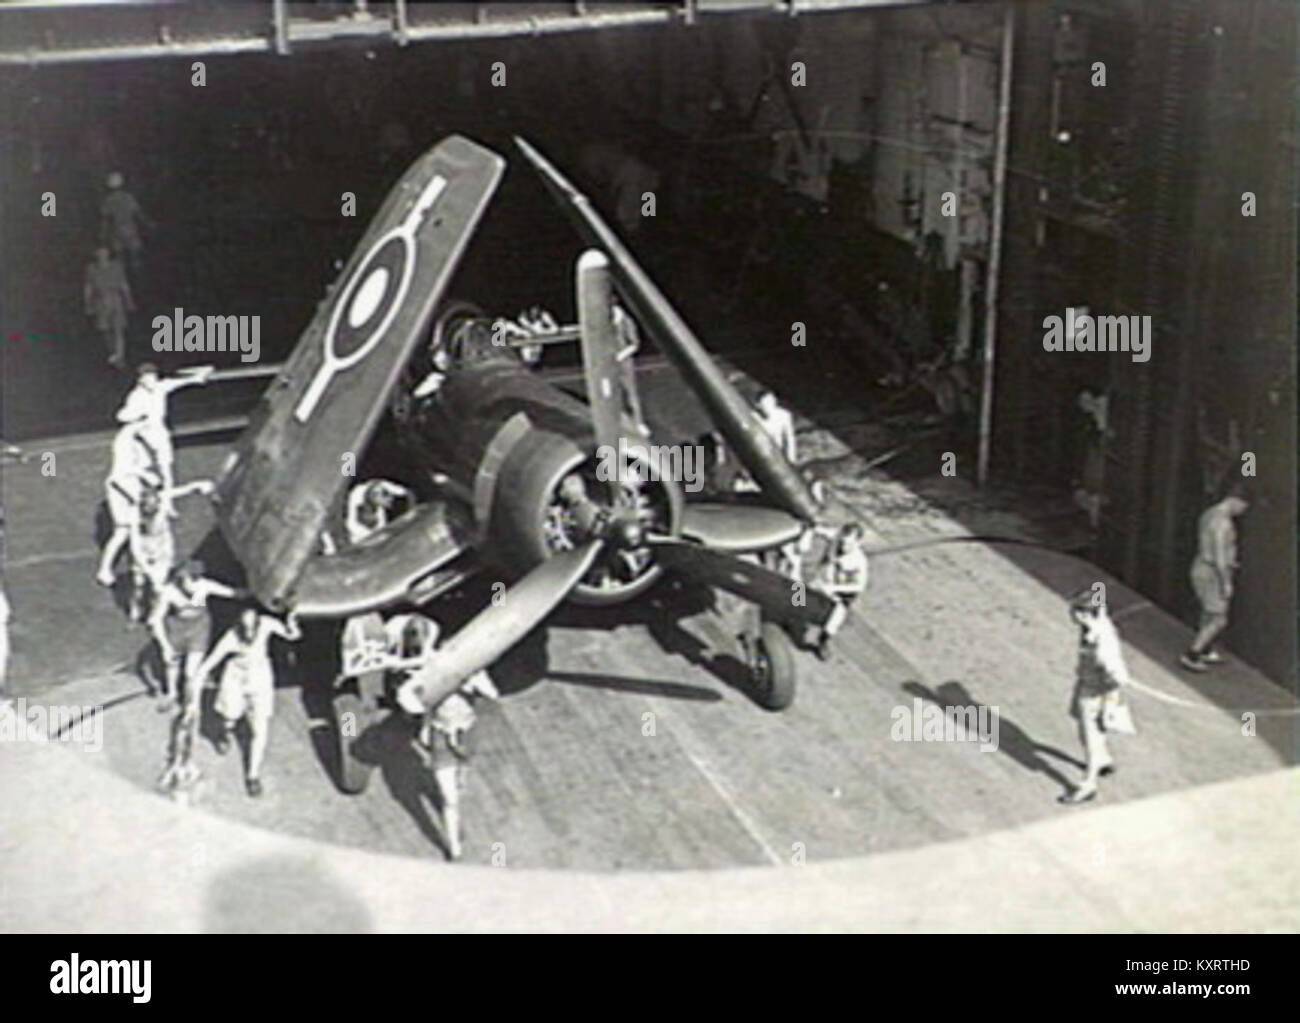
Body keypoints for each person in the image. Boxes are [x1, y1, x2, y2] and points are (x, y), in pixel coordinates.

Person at [394, 632, 499, 861]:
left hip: (466, 733)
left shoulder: (474, 673)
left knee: (461, 783)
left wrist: (472, 682)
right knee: (449, 797)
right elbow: (409, 697)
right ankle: (454, 848)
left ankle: (455, 809)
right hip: (441, 735)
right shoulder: (433, 672)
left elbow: (493, 693)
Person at [199, 607, 301, 797]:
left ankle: (253, 775)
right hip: (237, 678)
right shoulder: (231, 638)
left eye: (252, 630)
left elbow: (292, 634)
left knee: (260, 729)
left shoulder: (267, 625)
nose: (249, 635)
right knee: (229, 717)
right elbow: (212, 660)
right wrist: (196, 679)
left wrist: (292, 622)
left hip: (259, 679)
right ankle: (225, 731)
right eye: (245, 631)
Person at [1060, 588, 1133, 804]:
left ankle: (1088, 783)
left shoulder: (1101, 643)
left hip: (1095, 692)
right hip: (1085, 684)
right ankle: (1103, 759)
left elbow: (1118, 676)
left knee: (1090, 735)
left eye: (1076, 611)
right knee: (1083, 727)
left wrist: (1108, 703)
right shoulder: (1094, 626)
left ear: (1084, 614)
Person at [117, 362, 213, 514]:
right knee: (147, 473)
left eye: (154, 377)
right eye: (148, 378)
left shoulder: (162, 387)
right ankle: (143, 503)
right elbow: (122, 416)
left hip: (160, 434)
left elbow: (185, 381)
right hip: (143, 438)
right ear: (140, 380)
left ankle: (168, 505)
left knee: (166, 470)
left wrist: (198, 377)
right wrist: (137, 416)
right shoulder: (135, 397)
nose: (152, 381)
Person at [147, 560, 241, 709]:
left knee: (191, 671)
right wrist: (165, 646)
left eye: (194, 580)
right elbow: (155, 620)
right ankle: (172, 694)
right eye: (187, 580)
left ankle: (189, 703)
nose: (191, 585)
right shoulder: (169, 592)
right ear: (180, 578)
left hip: (199, 628)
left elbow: (232, 593)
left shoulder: (204, 586)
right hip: (176, 627)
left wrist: (253, 592)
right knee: (171, 663)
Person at [1181, 481, 1250, 671]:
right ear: (1236, 501)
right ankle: (1192, 654)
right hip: (1212, 571)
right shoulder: (1223, 524)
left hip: (1201, 565)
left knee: (1208, 613)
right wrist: (1226, 582)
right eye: (1243, 507)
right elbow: (1219, 555)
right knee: (1219, 619)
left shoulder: (1209, 513)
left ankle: (1205, 649)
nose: (1242, 512)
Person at [127, 478, 214, 622]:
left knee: (160, 582)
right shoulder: (134, 515)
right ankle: (135, 606)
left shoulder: (161, 499)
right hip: (145, 548)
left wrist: (197, 485)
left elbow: (181, 490)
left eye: (157, 505)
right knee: (139, 582)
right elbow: (135, 546)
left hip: (163, 546)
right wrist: (146, 567)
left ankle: (156, 611)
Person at [96, 417, 162, 586]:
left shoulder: (134, 440)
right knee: (123, 531)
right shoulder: (125, 443)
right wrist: (135, 494)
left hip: (131, 488)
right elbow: (118, 476)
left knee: (131, 530)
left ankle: (135, 564)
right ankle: (105, 569)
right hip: (121, 490)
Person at [811, 522, 868, 659]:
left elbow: (858, 586)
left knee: (833, 622)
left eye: (848, 544)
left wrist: (833, 588)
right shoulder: (836, 540)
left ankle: (822, 641)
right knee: (798, 592)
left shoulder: (858, 562)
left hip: (838, 595)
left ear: (858, 542)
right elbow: (824, 532)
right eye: (842, 542)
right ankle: (792, 617)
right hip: (821, 580)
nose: (843, 547)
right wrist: (814, 528)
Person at [84, 247, 133, 368]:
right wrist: (88, 304)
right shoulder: (92, 268)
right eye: (100, 252)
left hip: (115, 298)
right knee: (105, 329)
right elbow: (89, 287)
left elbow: (123, 284)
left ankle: (120, 356)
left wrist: (128, 300)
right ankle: (112, 351)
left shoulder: (116, 266)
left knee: (118, 329)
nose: (102, 255)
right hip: (101, 300)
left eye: (104, 252)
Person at [611, 302, 650, 436]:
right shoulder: (607, 322)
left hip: (624, 363)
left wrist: (620, 355)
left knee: (630, 392)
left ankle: (638, 422)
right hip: (609, 362)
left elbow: (634, 344)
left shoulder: (627, 321)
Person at [100, 171, 150, 269]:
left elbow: (105, 220)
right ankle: (138, 279)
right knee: (135, 259)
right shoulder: (128, 197)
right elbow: (138, 214)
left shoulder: (109, 200)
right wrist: (148, 224)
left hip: (117, 232)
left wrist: (103, 234)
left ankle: (123, 280)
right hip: (131, 230)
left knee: (120, 261)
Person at [344, 479, 413, 545]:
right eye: (387, 501)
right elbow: (351, 524)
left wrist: (411, 511)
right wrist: (371, 536)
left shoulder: (383, 487)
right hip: (359, 537)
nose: (390, 502)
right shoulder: (356, 496)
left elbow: (407, 492)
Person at [754, 389, 797, 463]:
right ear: (758, 405)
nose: (770, 405)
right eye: (766, 403)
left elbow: (790, 438)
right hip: (760, 454)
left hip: (778, 453)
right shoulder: (754, 417)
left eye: (772, 402)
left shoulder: (784, 415)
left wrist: (791, 457)